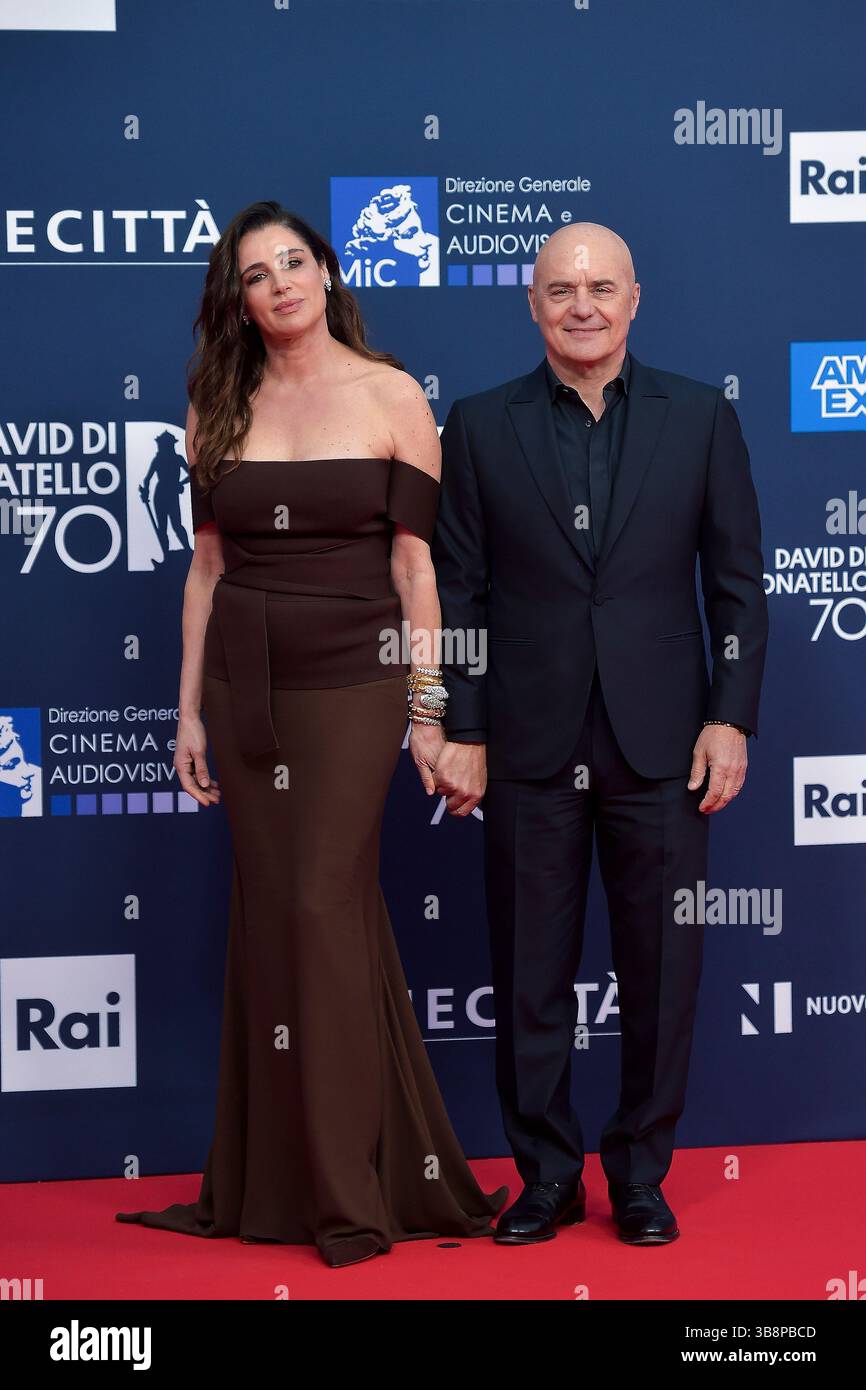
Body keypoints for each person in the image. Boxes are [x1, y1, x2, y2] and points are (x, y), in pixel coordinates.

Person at [115, 200, 507, 1268]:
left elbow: (416, 572)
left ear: (328, 273)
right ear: (234, 298)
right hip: (246, 681)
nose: (280, 282)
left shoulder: (391, 395)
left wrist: (428, 718)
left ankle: (347, 1197)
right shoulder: (215, 401)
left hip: (353, 679)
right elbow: (204, 568)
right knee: (284, 914)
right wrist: (186, 708)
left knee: (320, 900)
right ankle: (298, 1175)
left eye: (295, 261)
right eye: (255, 273)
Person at [430, 223, 769, 1246]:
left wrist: (729, 715)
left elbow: (738, 587)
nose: (582, 305)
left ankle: (638, 1176)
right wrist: (467, 724)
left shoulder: (701, 416)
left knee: (661, 969)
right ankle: (540, 1175)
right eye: (560, 288)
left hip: (661, 742)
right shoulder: (480, 424)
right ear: (530, 304)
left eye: (601, 287)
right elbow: (459, 590)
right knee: (529, 971)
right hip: (526, 741)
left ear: (634, 299)